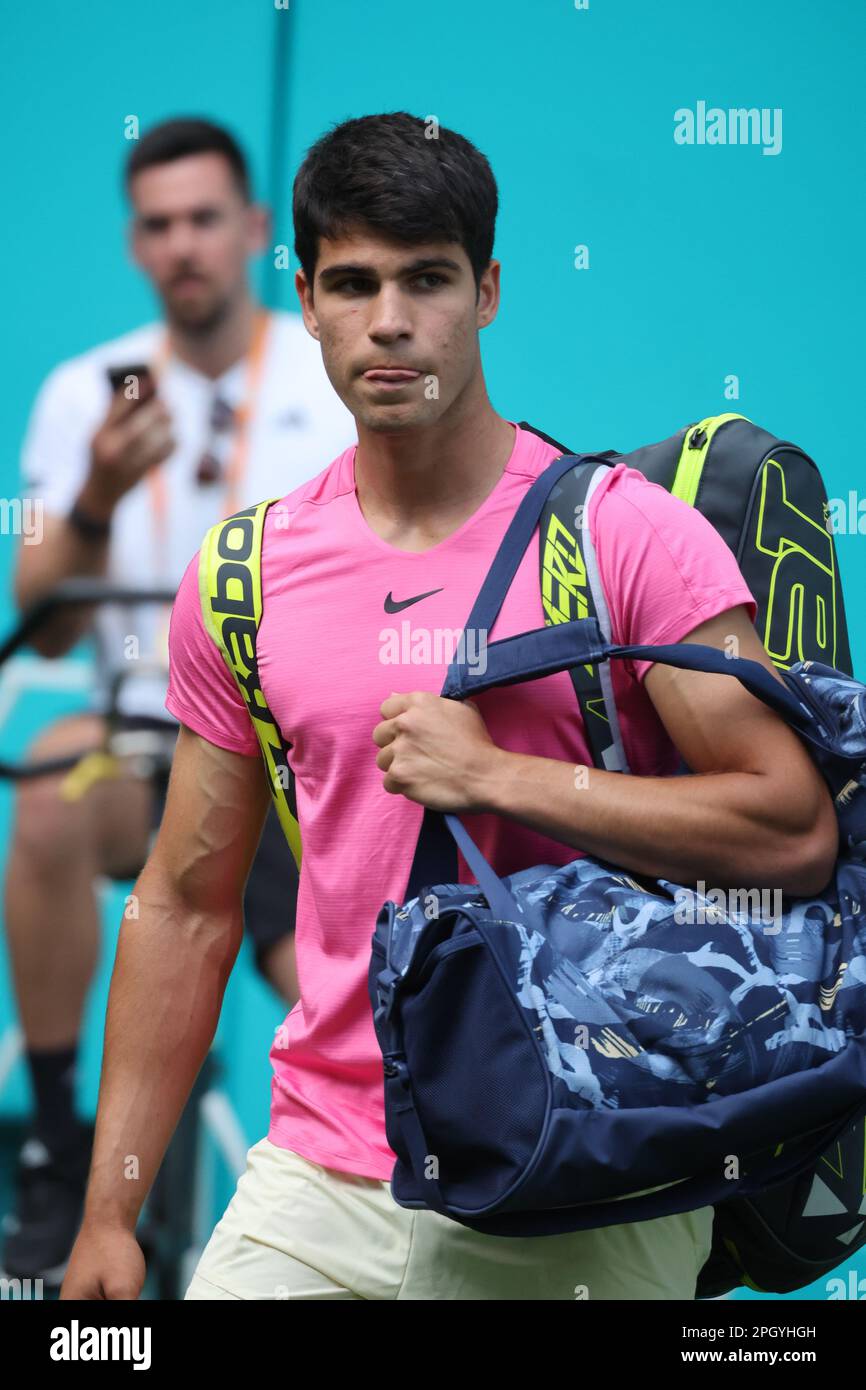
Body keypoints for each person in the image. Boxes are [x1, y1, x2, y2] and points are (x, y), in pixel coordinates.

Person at [60, 111, 838, 1301]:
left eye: (426, 279)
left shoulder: (622, 534)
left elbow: (789, 830)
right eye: (353, 283)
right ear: (307, 303)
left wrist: (503, 777)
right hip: (318, 1178)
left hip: (584, 1176)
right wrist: (110, 1210)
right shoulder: (243, 576)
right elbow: (183, 907)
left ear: (485, 292)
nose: (388, 321)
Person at [1, 117, 355, 1286]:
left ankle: (377, 1182)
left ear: (256, 233)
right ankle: (54, 1144)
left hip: (300, 753)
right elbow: (43, 618)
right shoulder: (78, 393)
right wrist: (97, 489)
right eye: (158, 225)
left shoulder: (330, 371)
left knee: (315, 951)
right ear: (134, 245)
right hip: (140, 740)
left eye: (206, 218)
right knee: (46, 788)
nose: (184, 244)